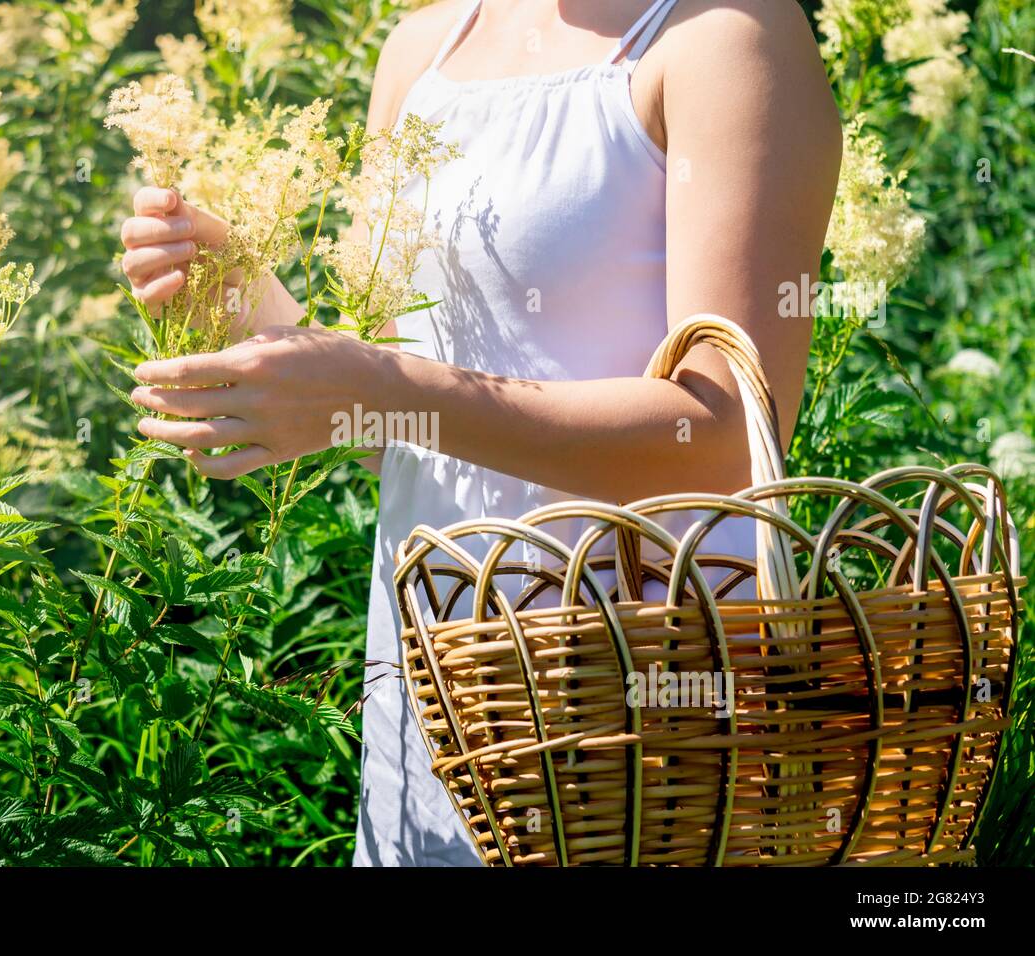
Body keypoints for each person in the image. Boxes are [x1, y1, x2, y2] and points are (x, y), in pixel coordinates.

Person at [117, 0, 841, 865]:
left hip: (638, 719)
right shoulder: (421, 48)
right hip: (433, 706)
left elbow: (722, 435)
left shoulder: (726, 37)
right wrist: (252, 304)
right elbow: (408, 426)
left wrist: (382, 388)